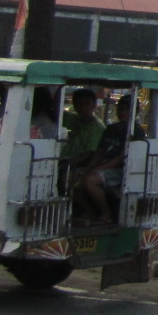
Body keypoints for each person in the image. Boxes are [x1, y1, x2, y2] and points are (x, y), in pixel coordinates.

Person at [63, 88, 111, 223]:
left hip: (86, 164)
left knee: (67, 180)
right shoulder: (76, 120)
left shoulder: (97, 127)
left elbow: (91, 153)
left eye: (87, 104)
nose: (83, 107)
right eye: (79, 104)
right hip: (68, 162)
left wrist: (70, 163)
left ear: (94, 105)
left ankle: (90, 211)